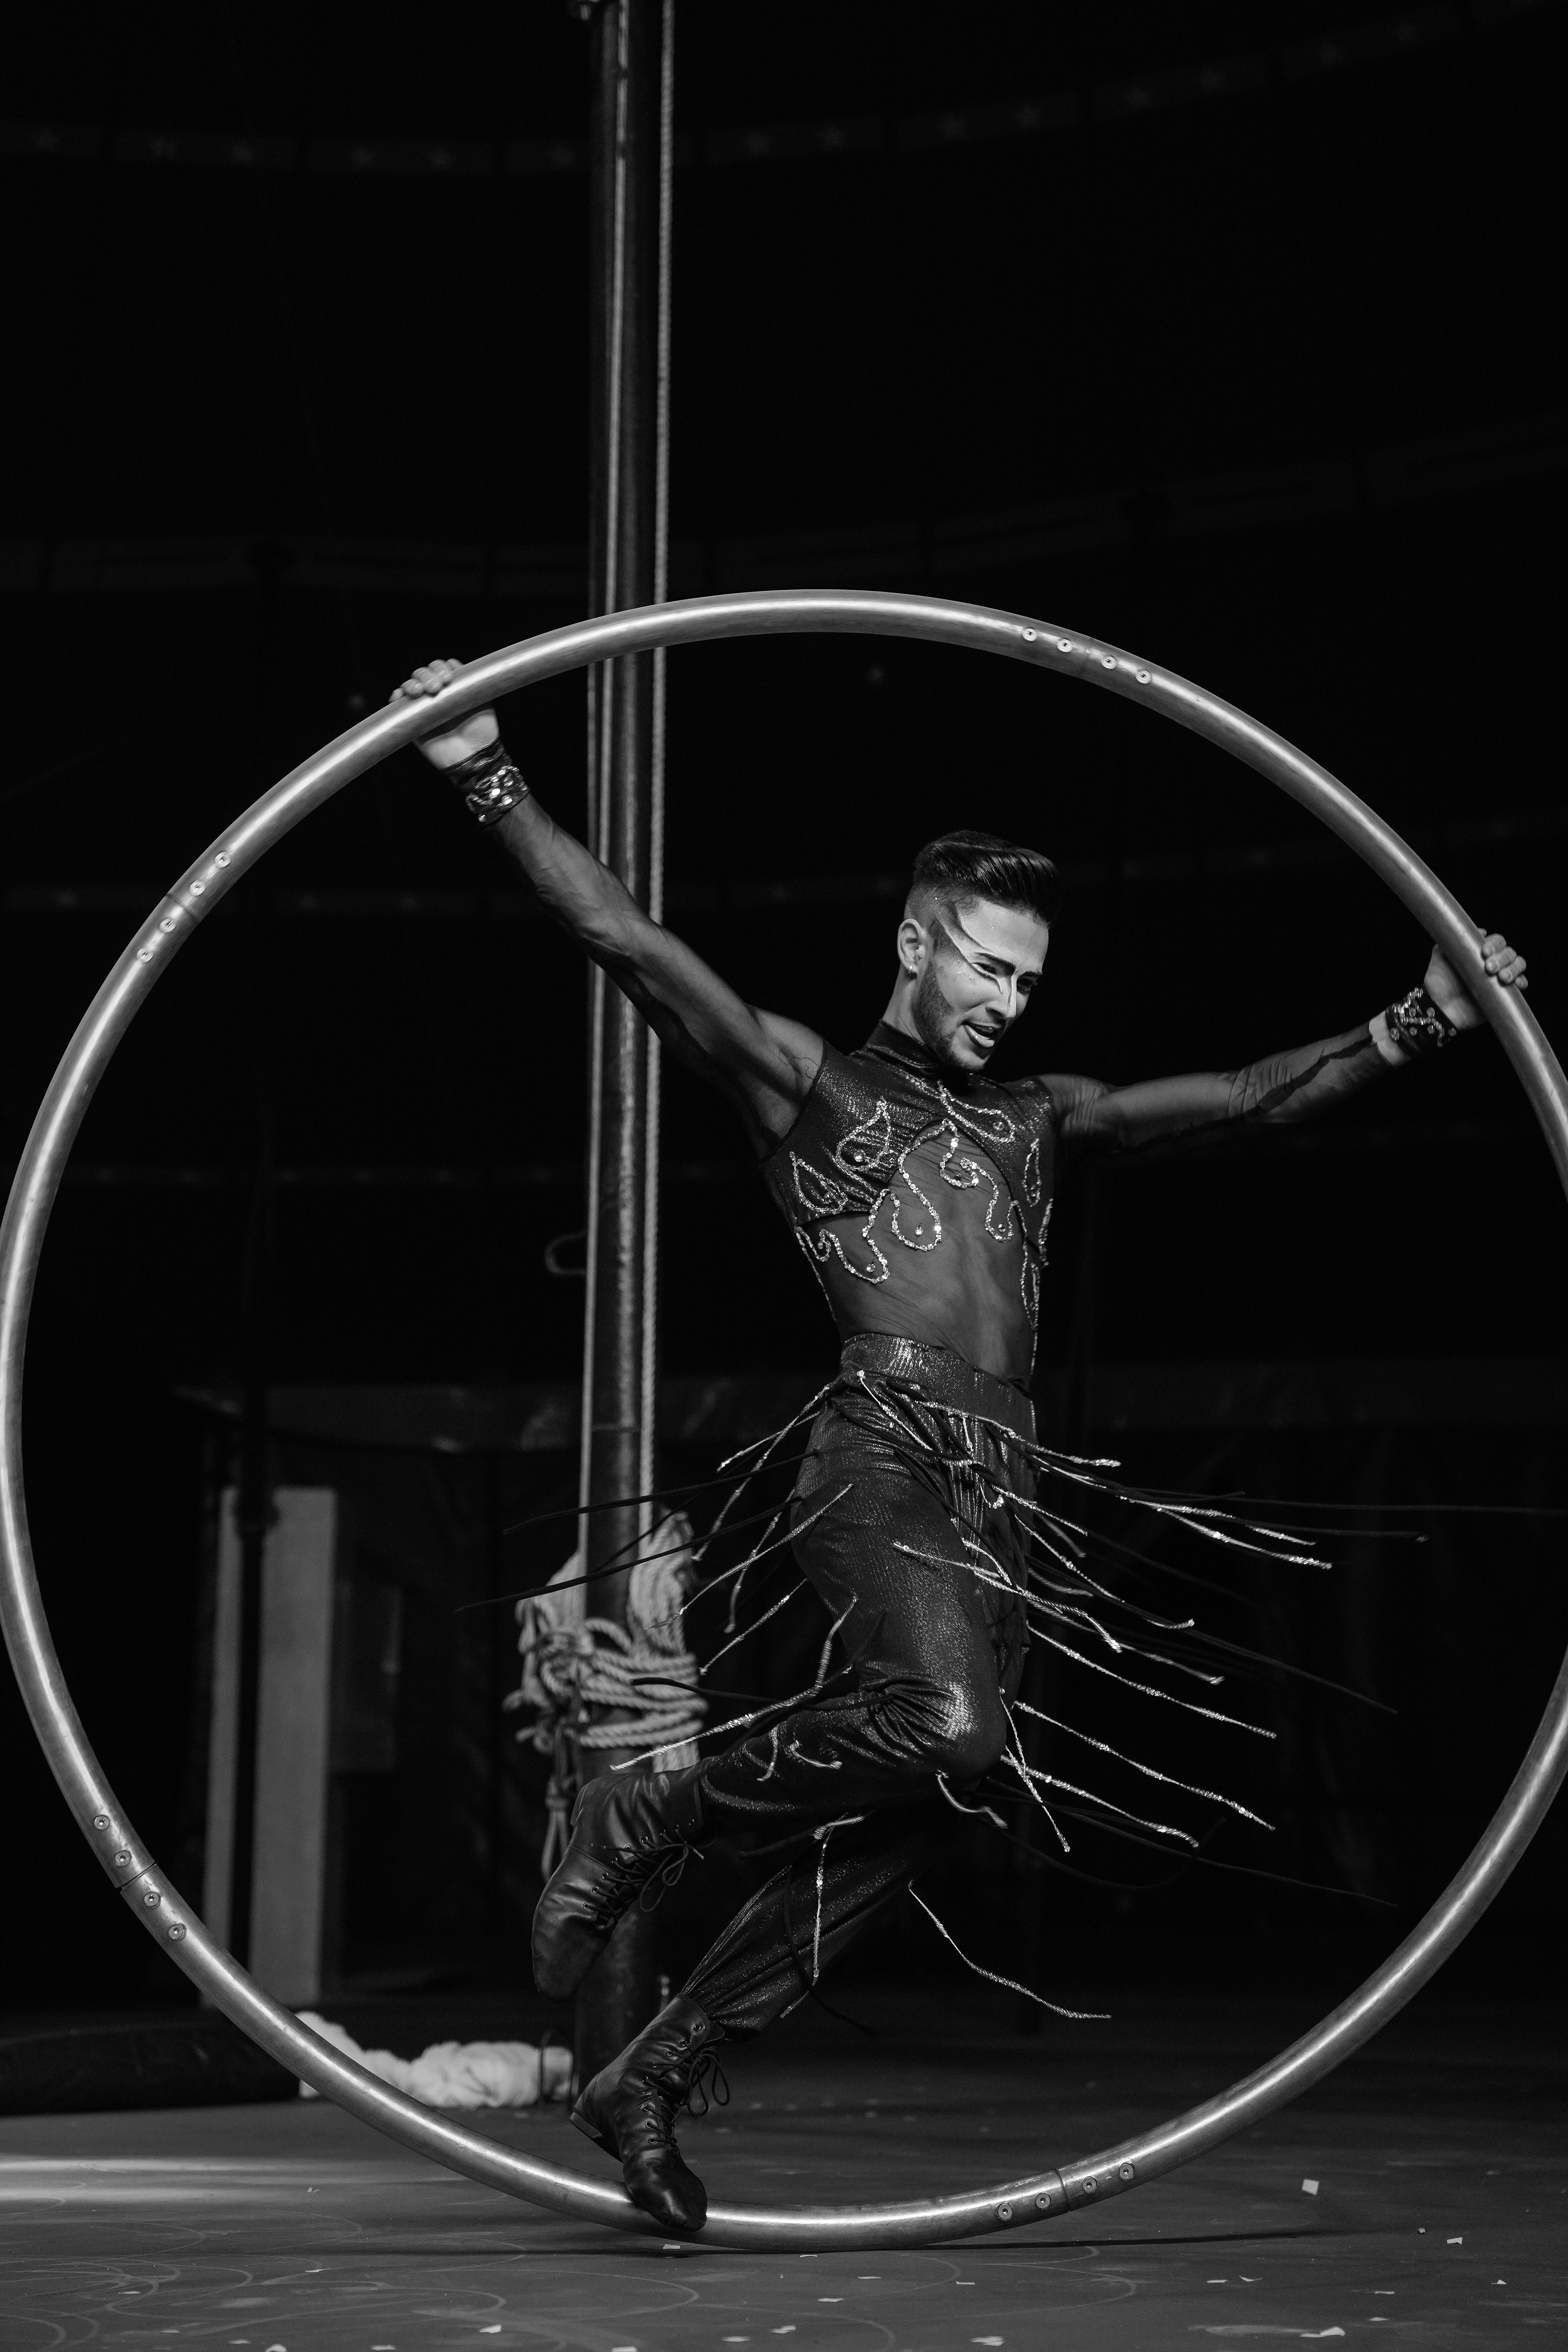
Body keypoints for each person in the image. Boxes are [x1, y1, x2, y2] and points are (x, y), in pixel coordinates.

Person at [391, 655, 1527, 2231]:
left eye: (1025, 981)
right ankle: (641, 1808)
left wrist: (1423, 1015)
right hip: (882, 1450)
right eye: (983, 966)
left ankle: (649, 2069)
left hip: (1009, 1491)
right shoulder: (814, 1084)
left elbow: (1250, 1100)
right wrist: (482, 767)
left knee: (933, 1801)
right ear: (915, 943)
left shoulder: (1037, 1116)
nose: (1004, 999)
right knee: (950, 1725)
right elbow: (624, 939)